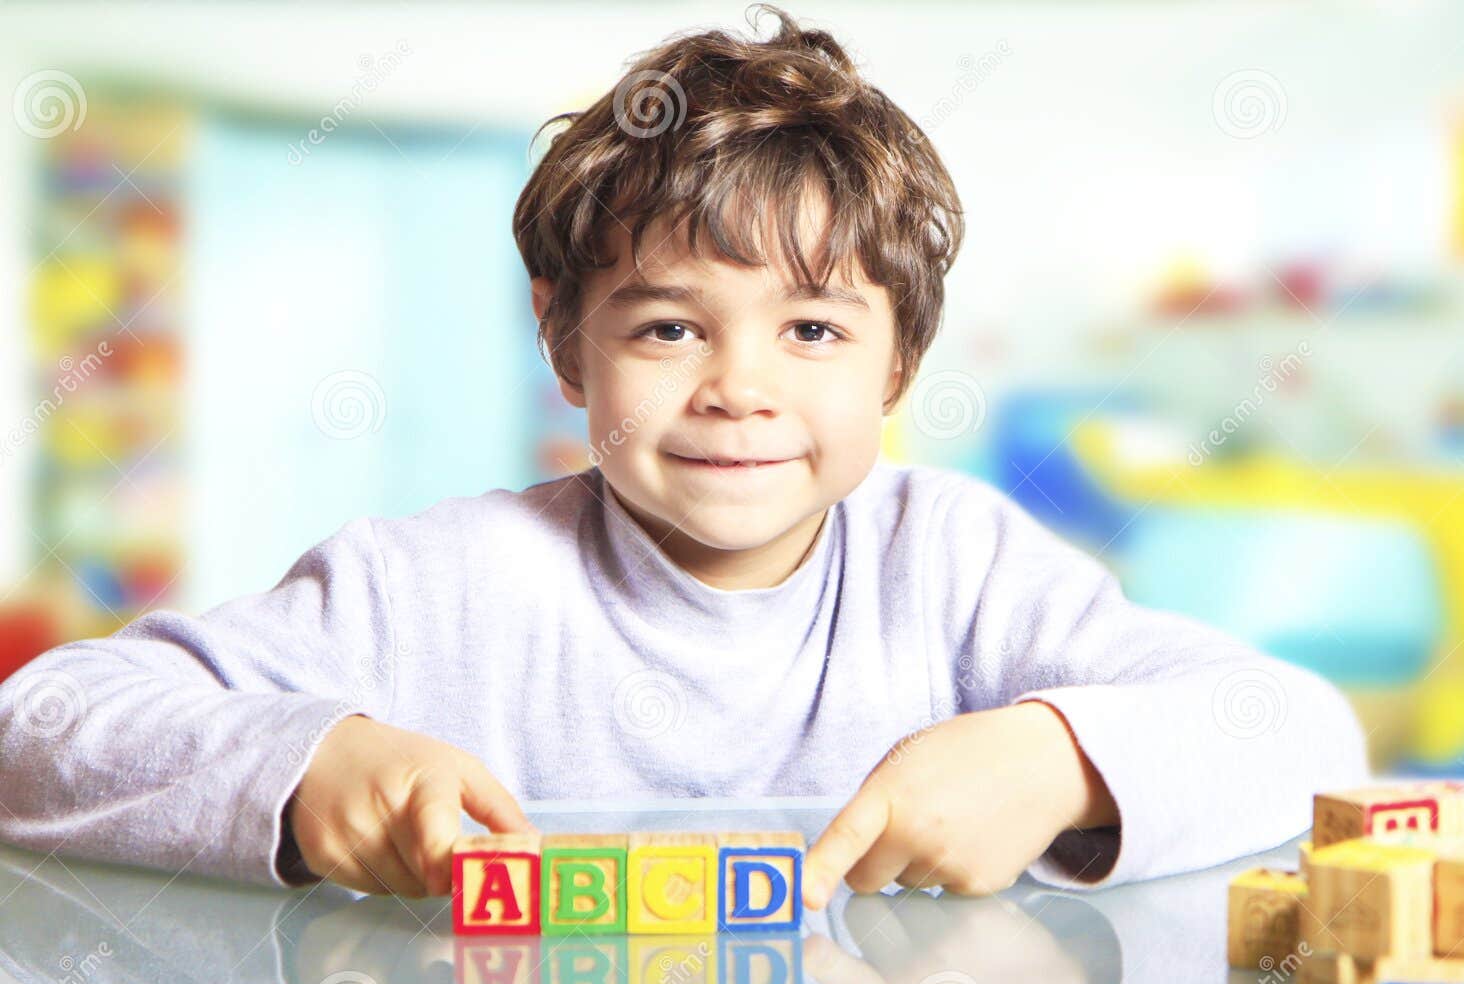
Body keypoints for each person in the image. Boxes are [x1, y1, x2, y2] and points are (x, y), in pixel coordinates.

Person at [0, 6, 1366, 905]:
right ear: (568, 348)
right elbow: (39, 727)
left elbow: (1304, 733)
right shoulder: (434, 586)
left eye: (813, 329)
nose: (739, 390)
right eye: (668, 327)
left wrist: (1062, 757)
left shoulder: (956, 562)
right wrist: (308, 769)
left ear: (898, 365)